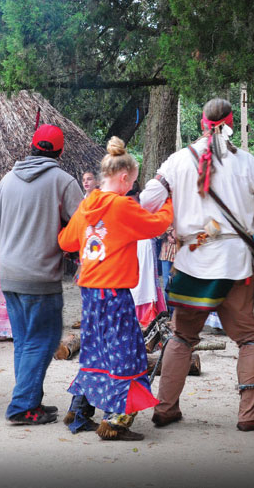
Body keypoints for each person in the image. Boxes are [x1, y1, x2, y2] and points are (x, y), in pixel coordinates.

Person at [139, 97, 254, 432]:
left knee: (181, 336)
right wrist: (247, 214)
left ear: (202, 123)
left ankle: (165, 408)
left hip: (193, 257)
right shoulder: (246, 162)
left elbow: (147, 201)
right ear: (231, 124)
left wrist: (176, 215)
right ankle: (250, 414)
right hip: (236, 263)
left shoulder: (177, 161)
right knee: (249, 339)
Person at [58, 137, 174, 441]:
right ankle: (115, 422)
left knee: (95, 349)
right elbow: (156, 225)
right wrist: (170, 203)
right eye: (132, 182)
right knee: (127, 354)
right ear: (123, 177)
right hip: (114, 290)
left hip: (90, 292)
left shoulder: (87, 204)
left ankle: (79, 410)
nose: (132, 186)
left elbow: (66, 241)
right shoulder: (122, 205)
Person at [0, 124, 84, 425]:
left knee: (26, 341)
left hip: (10, 274)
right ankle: (22, 406)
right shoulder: (63, 181)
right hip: (41, 277)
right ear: (60, 152)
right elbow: (83, 224)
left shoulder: (7, 179)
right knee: (44, 340)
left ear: (32, 146)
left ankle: (31, 403)